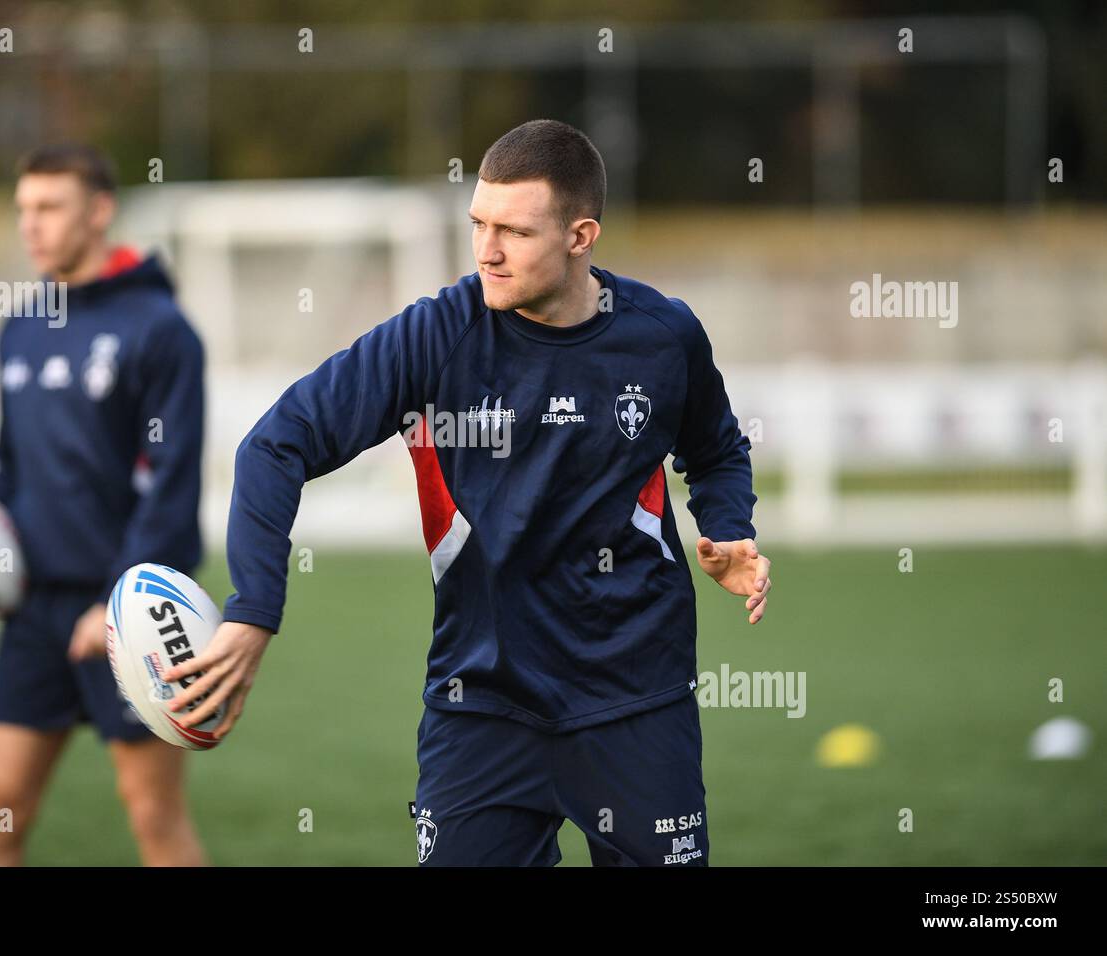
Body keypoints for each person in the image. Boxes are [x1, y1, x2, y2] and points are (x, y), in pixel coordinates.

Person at [165, 119, 771, 866]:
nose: (486, 249)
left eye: (513, 231)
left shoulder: (663, 335)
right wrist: (254, 609)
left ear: (581, 236)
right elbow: (276, 444)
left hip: (636, 703)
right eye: (478, 223)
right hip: (481, 705)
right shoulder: (436, 336)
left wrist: (727, 525)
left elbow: (715, 450)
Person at [0, 144, 208, 866]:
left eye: (49, 207)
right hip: (34, 614)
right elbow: (13, 471)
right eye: (23, 209)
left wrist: (116, 603)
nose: (31, 225)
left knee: (154, 817)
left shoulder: (162, 330)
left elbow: (171, 488)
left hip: (134, 616)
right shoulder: (19, 328)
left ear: (100, 211)